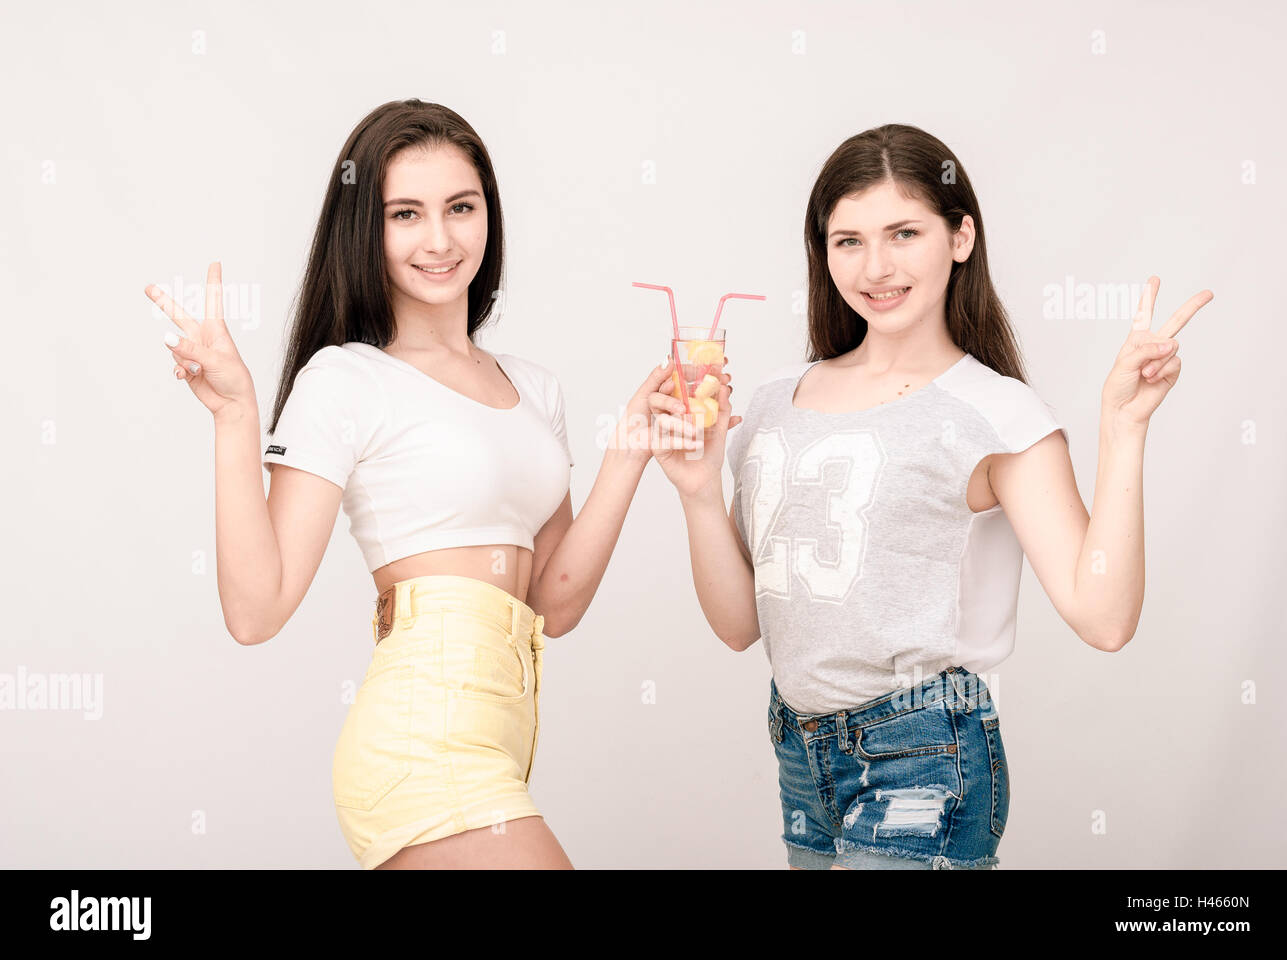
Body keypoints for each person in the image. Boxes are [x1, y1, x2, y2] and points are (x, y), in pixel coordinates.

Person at [143, 98, 721, 869]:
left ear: (490, 214)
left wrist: (629, 452)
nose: (441, 239)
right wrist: (236, 416)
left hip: (503, 743)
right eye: (405, 214)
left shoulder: (534, 387)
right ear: (366, 231)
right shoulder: (347, 379)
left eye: (461, 207)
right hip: (421, 747)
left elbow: (553, 605)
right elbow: (256, 609)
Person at [651, 123, 1210, 870]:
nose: (875, 266)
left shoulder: (996, 412)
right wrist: (696, 492)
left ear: (960, 237)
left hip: (922, 757)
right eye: (847, 240)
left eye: (904, 232)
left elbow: (1104, 618)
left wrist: (1124, 427)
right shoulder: (774, 402)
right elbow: (737, 626)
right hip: (798, 747)